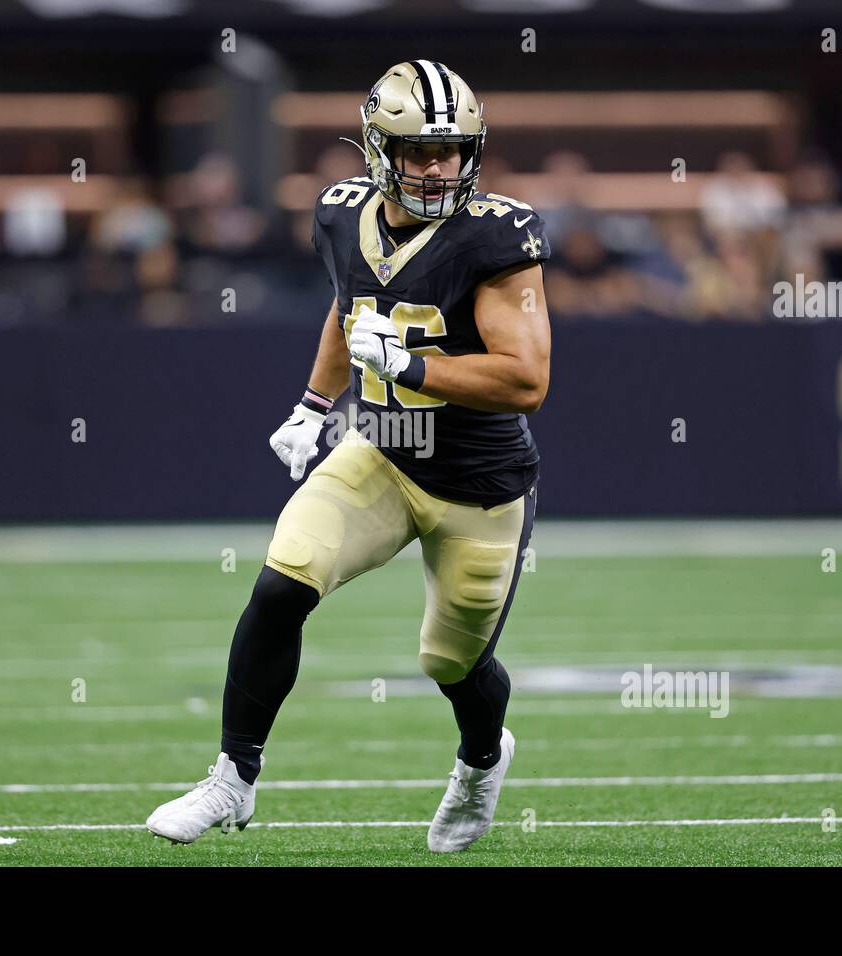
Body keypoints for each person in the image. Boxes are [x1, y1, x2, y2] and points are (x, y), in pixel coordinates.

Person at [146, 61, 551, 853]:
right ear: (378, 148)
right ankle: (232, 779)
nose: (438, 169)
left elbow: (526, 378)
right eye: (418, 152)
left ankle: (480, 759)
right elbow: (350, 303)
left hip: (480, 483)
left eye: (452, 151)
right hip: (388, 452)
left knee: (452, 662)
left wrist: (408, 366)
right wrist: (313, 404)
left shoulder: (498, 234)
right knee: (281, 580)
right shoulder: (340, 215)